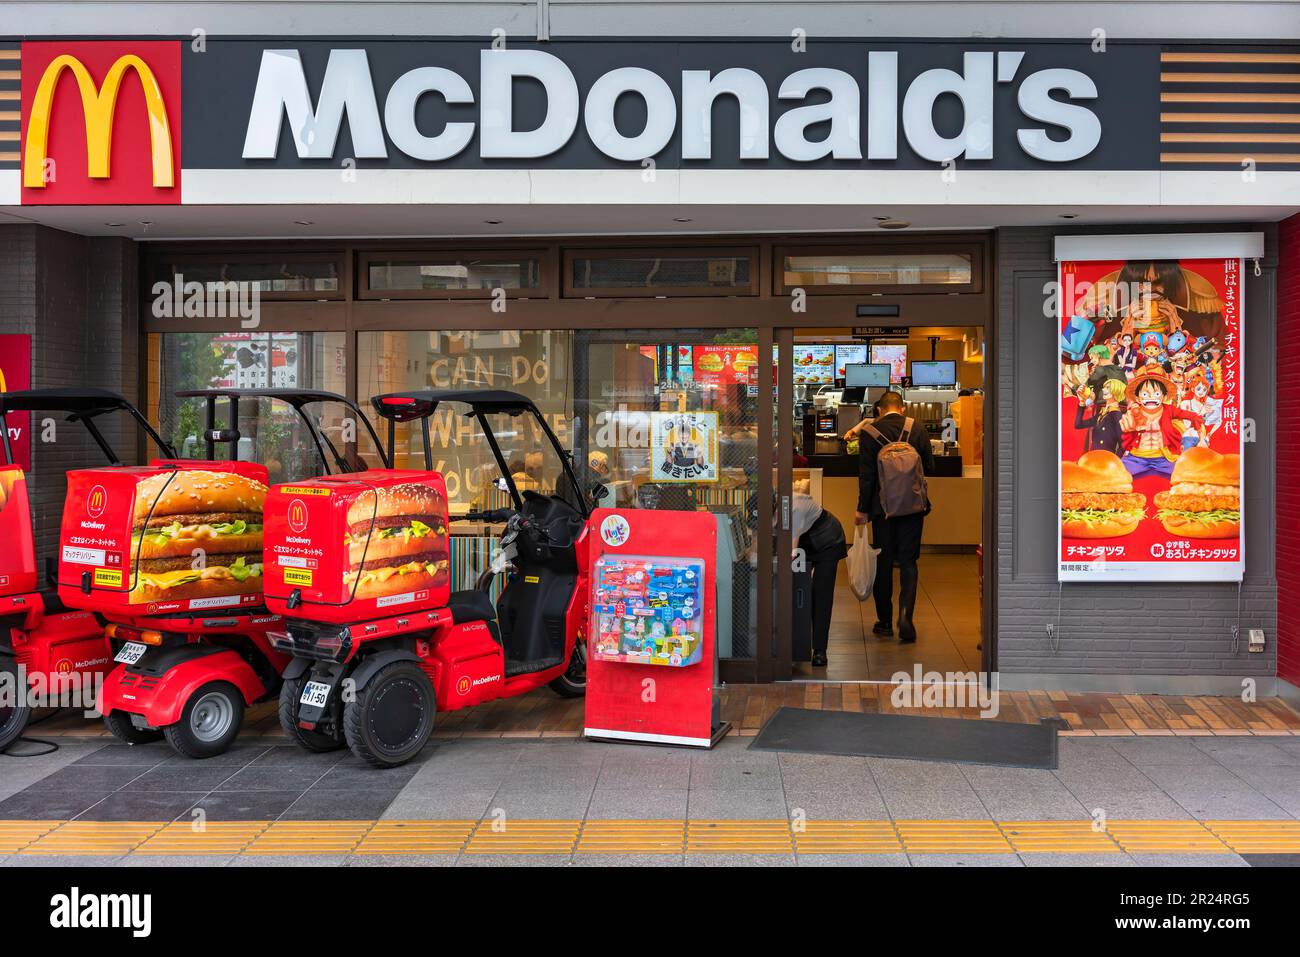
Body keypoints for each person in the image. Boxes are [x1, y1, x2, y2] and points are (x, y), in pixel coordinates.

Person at [854, 391, 934, 644]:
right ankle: (905, 616)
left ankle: (885, 622)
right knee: (909, 562)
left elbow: (866, 477)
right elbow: (930, 467)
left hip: (882, 510)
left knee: (884, 562)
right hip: (912, 507)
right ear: (902, 408)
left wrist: (861, 509)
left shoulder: (869, 433)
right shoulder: (917, 428)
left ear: (878, 410)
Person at [789, 490, 847, 667]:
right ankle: (795, 645)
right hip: (805, 542)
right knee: (798, 590)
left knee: (820, 593)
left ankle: (820, 650)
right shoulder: (775, 508)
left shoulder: (793, 508)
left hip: (828, 540)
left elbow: (792, 552)